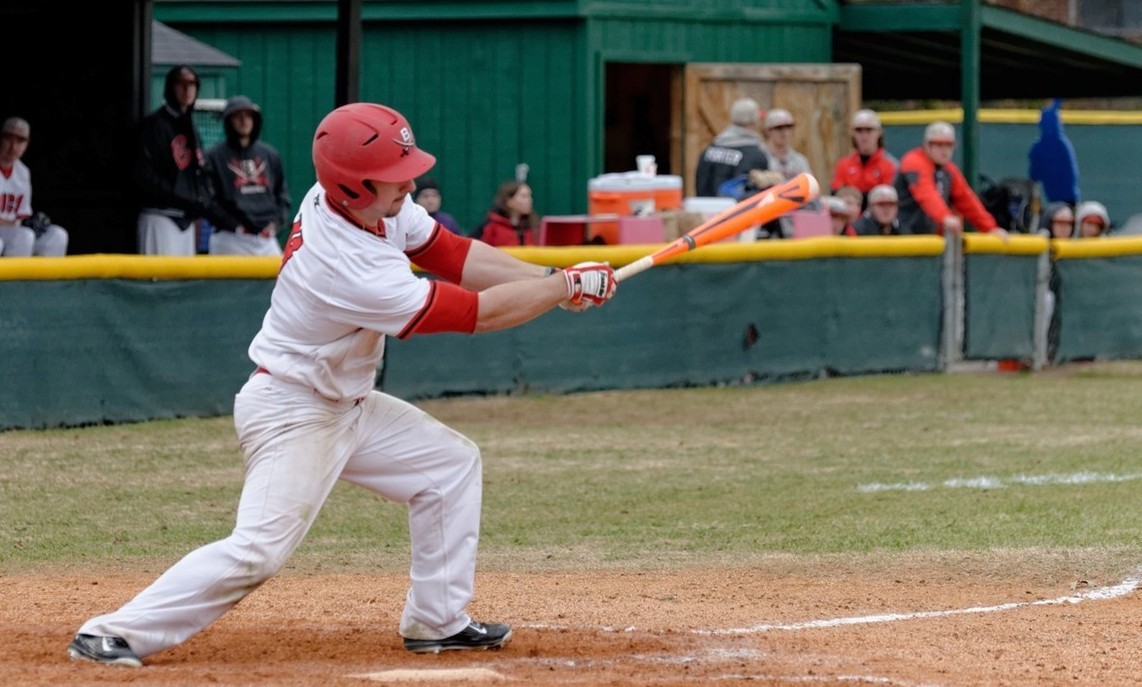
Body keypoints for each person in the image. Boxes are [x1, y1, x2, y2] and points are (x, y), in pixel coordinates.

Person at [66, 102, 619, 668]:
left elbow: (452, 253)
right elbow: (476, 314)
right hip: (293, 410)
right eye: (394, 173)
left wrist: (551, 281)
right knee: (259, 550)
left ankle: (438, 620)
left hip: (346, 401)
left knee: (449, 466)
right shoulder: (345, 262)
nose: (409, 182)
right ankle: (112, 633)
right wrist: (559, 290)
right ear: (354, 186)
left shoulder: (368, 204)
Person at [134, 65, 228, 255]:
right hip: (160, 217)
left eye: (192, 84)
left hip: (186, 220)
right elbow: (143, 174)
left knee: (182, 282)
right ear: (170, 87)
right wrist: (180, 196)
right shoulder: (154, 125)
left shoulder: (190, 126)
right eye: (181, 83)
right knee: (159, 281)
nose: (187, 89)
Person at [204, 95, 292, 256]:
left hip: (266, 238)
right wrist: (236, 226)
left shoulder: (270, 154)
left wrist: (276, 224)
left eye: (248, 116)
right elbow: (208, 201)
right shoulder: (213, 157)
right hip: (231, 238)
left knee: (281, 279)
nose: (244, 121)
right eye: (238, 116)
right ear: (228, 121)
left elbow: (283, 196)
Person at [893, 121, 1006, 237]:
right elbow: (926, 194)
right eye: (938, 145)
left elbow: (967, 200)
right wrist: (945, 217)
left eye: (948, 145)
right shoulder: (914, 161)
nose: (944, 150)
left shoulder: (949, 169)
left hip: (928, 237)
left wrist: (990, 228)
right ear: (926, 145)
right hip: (902, 234)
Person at [0, 116, 69, 256]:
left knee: (57, 235)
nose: (13, 146)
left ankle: (43, 278)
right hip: (8, 233)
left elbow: (22, 214)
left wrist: (28, 221)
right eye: (9, 138)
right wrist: (19, 225)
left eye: (20, 140)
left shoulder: (23, 172)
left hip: (12, 232)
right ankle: (13, 278)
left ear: (27, 144)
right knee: (24, 236)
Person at [694, 97, 770, 197]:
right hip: (740, 212)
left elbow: (700, 185)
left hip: (707, 211)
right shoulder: (756, 155)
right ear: (754, 122)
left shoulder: (709, 150)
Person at [830, 109, 899, 206]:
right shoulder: (844, 164)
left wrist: (853, 197)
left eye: (869, 130)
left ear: (879, 132)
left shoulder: (890, 165)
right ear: (853, 133)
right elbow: (836, 193)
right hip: (848, 217)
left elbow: (887, 199)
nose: (864, 135)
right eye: (859, 130)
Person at [474, 180, 537, 247]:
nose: (529, 200)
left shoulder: (533, 226)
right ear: (509, 200)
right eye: (524, 196)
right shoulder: (491, 225)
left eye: (530, 196)